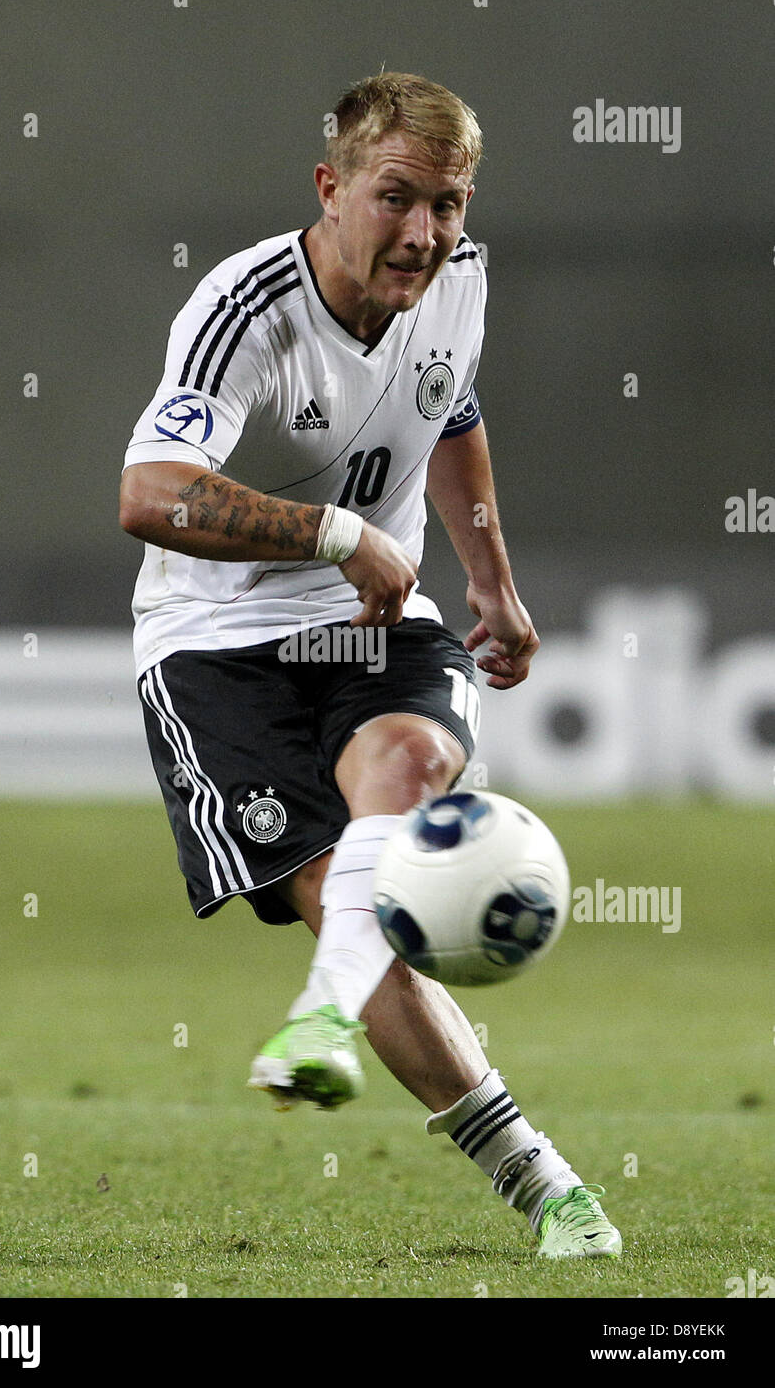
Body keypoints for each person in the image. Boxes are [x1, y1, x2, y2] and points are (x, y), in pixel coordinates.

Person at [120, 71, 621, 1259]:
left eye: (447, 204)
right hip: (216, 648)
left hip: (376, 621)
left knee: (400, 781)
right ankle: (535, 1174)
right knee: (344, 882)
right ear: (330, 186)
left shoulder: (456, 286)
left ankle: (319, 1024)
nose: (424, 233)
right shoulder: (245, 308)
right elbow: (146, 492)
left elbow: (448, 410)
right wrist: (340, 534)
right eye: (397, 198)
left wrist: (490, 578)